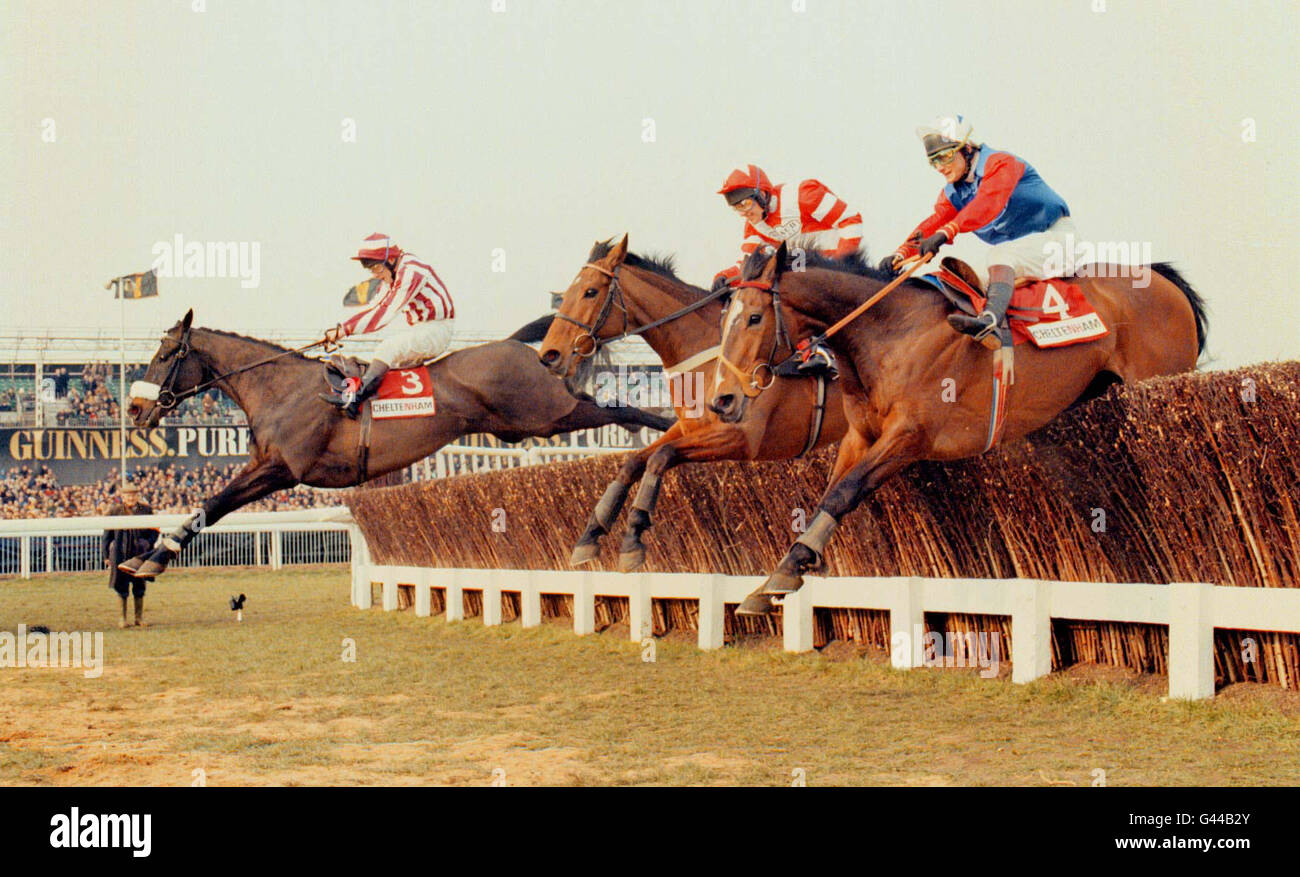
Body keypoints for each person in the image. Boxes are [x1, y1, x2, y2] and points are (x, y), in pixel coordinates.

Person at [882, 115, 1075, 346]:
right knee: (960, 278)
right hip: (1024, 251)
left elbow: (987, 204)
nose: (940, 168)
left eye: (944, 156)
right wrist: (901, 253)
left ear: (968, 148)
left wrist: (947, 232)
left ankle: (990, 322)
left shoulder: (1002, 163)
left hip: (1058, 240)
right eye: (933, 161)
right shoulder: (955, 191)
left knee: (999, 256)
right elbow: (935, 221)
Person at [713, 165, 863, 374]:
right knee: (768, 295)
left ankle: (825, 350)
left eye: (745, 203)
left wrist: (840, 266)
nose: (743, 212)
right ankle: (807, 351)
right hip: (803, 274)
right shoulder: (754, 225)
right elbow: (750, 266)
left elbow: (852, 220)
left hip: (834, 269)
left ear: (762, 194)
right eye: (737, 208)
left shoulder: (804, 195)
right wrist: (724, 276)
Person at [322, 233, 456, 417]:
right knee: (385, 363)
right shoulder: (393, 273)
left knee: (387, 349)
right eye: (371, 270)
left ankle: (355, 400)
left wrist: (342, 331)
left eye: (377, 268)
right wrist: (339, 329)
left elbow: (382, 314)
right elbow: (374, 306)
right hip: (422, 327)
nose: (375, 275)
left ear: (391, 259)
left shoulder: (411, 272)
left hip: (437, 329)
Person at [102, 481, 157, 628]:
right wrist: (106, 556)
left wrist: (147, 544)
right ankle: (122, 619)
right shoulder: (114, 511)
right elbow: (107, 536)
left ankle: (139, 618)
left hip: (140, 554)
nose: (130, 498)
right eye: (128, 495)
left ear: (137, 496)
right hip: (120, 554)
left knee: (140, 585)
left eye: (133, 495)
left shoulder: (146, 510)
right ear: (122, 496)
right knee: (121, 586)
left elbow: (155, 531)